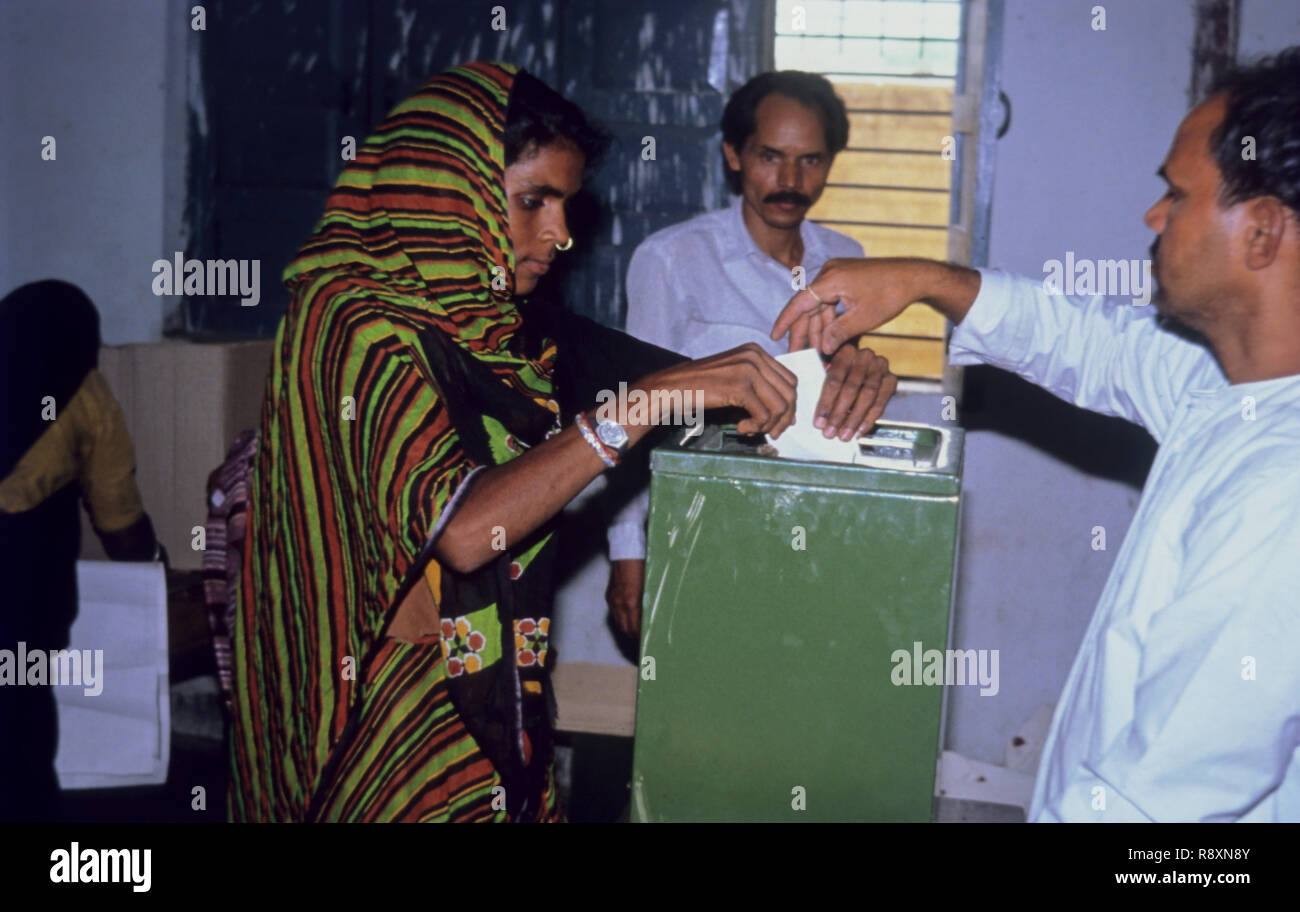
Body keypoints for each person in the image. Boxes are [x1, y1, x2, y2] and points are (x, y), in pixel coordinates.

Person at [228, 62, 894, 822]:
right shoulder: (351, 324)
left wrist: (834, 379)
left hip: (488, 693)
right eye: (532, 201)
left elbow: (692, 380)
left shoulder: (500, 323)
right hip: (383, 705)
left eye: (566, 204)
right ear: (453, 190)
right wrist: (651, 401)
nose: (560, 233)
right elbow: (469, 532)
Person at [773, 48, 1300, 822]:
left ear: (1259, 232)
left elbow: (1161, 808)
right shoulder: (1226, 388)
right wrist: (923, 279)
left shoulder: (1279, 490)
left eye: (1177, 195)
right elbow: (1089, 343)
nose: (1154, 217)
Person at [605, 71, 898, 640]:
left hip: (813, 527)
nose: (790, 180)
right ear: (733, 155)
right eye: (771, 157)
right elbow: (629, 416)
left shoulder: (848, 261)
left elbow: (830, 411)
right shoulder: (670, 259)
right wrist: (627, 552)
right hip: (695, 529)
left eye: (811, 160)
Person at [0, 280, 164, 822]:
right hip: (22, 585)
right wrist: (153, 567)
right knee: (19, 722)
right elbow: (118, 518)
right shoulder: (86, 395)